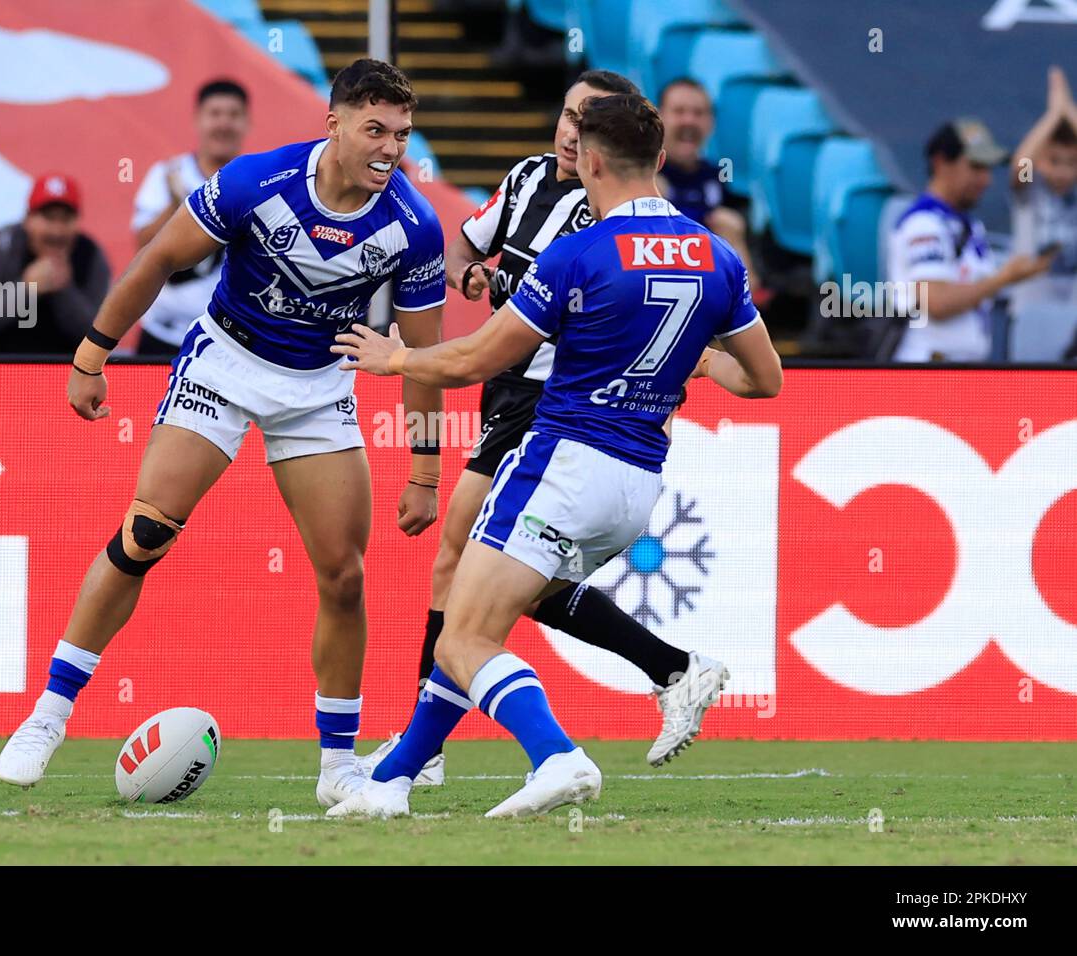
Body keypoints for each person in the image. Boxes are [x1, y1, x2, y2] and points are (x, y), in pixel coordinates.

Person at [0, 60, 446, 810]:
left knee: (345, 575)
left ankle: (338, 765)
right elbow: (160, 259)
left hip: (318, 390)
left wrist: (425, 471)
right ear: (332, 123)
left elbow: (424, 356)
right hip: (225, 365)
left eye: (401, 134)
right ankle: (49, 714)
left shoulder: (413, 226)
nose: (390, 149)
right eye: (375, 129)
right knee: (144, 533)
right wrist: (91, 354)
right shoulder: (253, 183)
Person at [328, 92, 783, 819]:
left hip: (565, 461)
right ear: (659, 160)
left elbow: (479, 356)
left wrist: (394, 357)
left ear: (593, 161)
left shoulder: (579, 252)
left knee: (463, 634)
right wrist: (693, 363)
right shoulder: (718, 257)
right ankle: (392, 783)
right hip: (637, 487)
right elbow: (765, 379)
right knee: (482, 622)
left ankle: (556, 756)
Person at [889, 118, 1054, 362]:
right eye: (976, 167)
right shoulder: (923, 223)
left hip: (961, 372)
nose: (986, 180)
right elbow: (936, 302)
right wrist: (1004, 279)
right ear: (941, 162)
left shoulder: (967, 225)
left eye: (988, 169)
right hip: (927, 371)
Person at [132, 80, 250, 357]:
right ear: (198, 119)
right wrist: (176, 205)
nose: (224, 124)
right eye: (215, 114)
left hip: (229, 338)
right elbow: (143, 244)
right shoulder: (167, 175)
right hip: (164, 333)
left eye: (233, 115)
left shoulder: (257, 181)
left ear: (247, 122)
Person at [0, 173, 110, 354]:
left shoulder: (90, 255)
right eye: (49, 218)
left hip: (66, 371)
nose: (57, 230)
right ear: (28, 219)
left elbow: (100, 336)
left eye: (66, 219)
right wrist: (26, 288)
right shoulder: (3, 246)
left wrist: (63, 290)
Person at [656, 77, 761, 292]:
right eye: (679, 111)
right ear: (658, 118)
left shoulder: (717, 176)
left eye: (698, 113)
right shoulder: (640, 173)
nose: (689, 121)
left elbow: (752, 285)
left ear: (711, 123)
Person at [1009, 67, 1077, 361]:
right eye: (1054, 161)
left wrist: (1068, 110)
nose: (1062, 170)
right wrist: (1053, 116)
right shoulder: (1028, 194)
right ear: (1041, 160)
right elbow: (1021, 163)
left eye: (1072, 162)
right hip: (1029, 315)